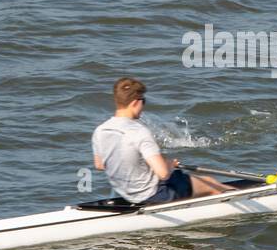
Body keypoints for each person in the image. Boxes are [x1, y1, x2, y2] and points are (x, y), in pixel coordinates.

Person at [92, 77, 232, 204]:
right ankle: (246, 200)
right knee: (211, 183)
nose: (143, 106)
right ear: (135, 103)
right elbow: (163, 174)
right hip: (155, 194)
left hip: (127, 193)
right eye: (143, 101)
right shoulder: (139, 132)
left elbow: (100, 164)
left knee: (191, 183)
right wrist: (169, 165)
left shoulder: (100, 131)